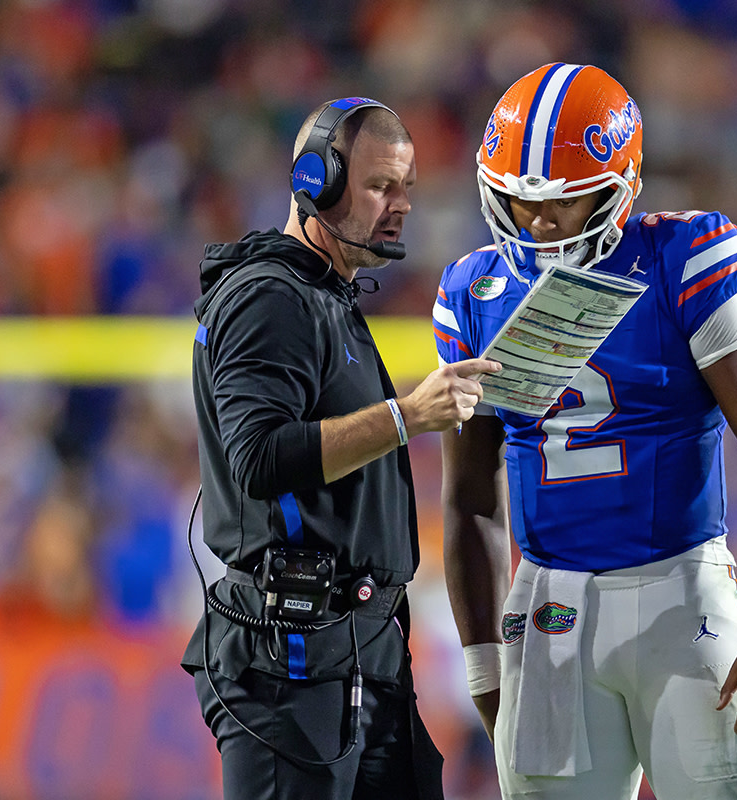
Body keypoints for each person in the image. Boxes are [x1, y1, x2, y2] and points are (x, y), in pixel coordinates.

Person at [434, 63, 737, 800]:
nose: (537, 220)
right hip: (547, 609)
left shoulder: (682, 261)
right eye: (520, 199)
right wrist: (484, 665)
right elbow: (469, 500)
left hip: (681, 595)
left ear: (619, 191)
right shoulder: (474, 292)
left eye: (564, 202)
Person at [183, 96, 499, 800]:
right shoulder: (272, 297)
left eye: (408, 187)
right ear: (316, 181)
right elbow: (260, 457)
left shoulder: (328, 298)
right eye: (381, 185)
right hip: (290, 663)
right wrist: (408, 414)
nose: (403, 204)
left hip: (356, 651)